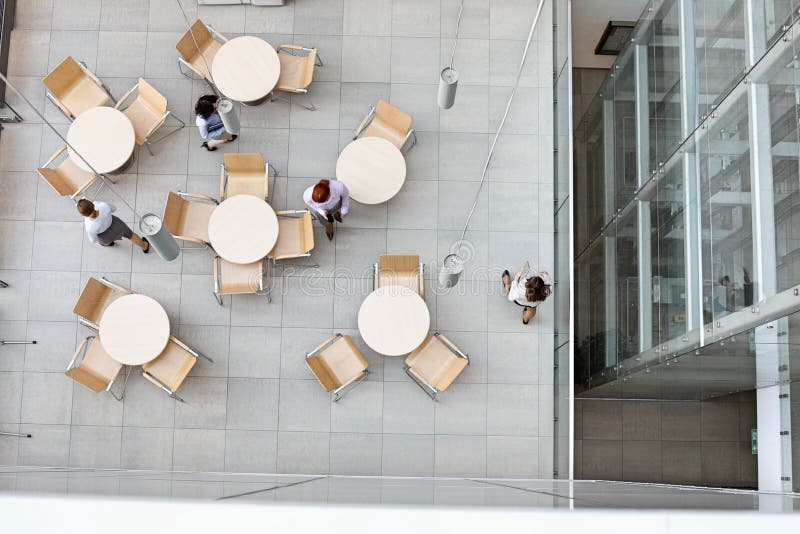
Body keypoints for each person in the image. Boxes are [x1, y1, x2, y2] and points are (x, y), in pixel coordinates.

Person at [77, 198, 149, 253]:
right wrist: (96, 202)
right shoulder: (103, 206)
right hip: (117, 225)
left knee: (103, 242)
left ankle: (110, 244)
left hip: (105, 237)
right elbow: (114, 208)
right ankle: (144, 246)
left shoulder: (89, 226)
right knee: (131, 235)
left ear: (83, 215)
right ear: (92, 204)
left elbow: (93, 240)